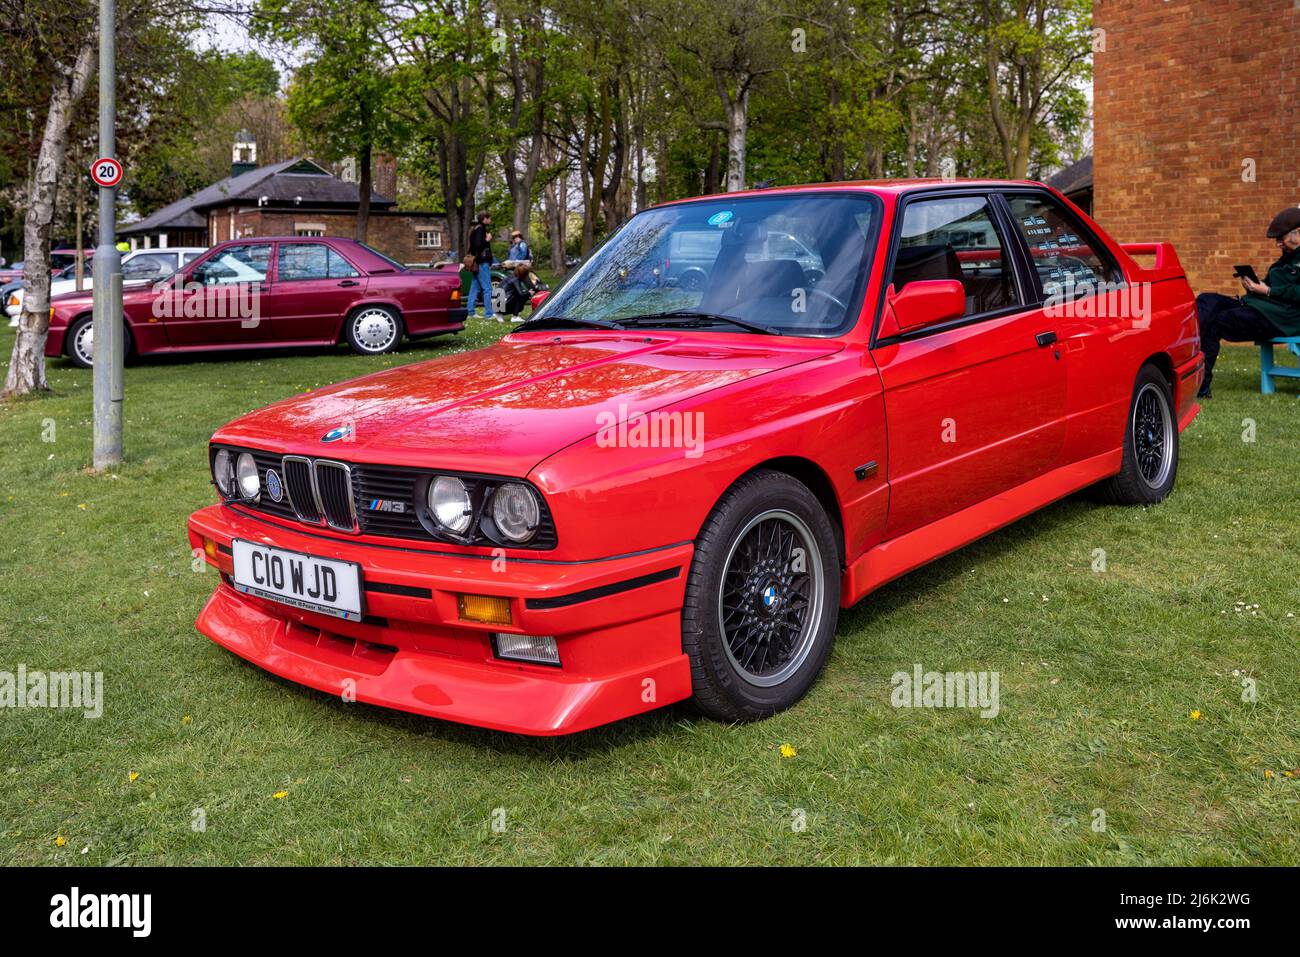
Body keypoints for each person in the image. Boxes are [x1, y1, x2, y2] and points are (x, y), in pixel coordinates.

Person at [1195, 207, 1300, 397]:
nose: (1277, 244)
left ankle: (1200, 386)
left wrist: (1267, 290)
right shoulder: (1281, 263)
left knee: (1218, 321)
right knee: (1207, 299)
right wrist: (1252, 287)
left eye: (1280, 238)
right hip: (1258, 305)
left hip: (1282, 318)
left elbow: (1289, 292)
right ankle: (1190, 346)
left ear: (1298, 232)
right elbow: (1268, 289)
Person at [466, 211, 495, 319]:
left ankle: (470, 312)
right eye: (489, 218)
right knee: (487, 289)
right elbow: (478, 245)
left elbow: (473, 246)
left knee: (474, 288)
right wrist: (487, 240)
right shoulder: (481, 228)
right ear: (485, 219)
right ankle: (489, 314)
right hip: (482, 262)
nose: (490, 220)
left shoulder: (475, 228)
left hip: (476, 263)